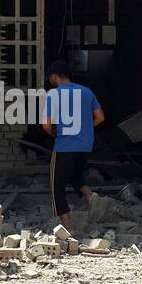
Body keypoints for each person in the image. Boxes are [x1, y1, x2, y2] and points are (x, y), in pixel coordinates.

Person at [42, 61, 104, 231]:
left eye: (50, 78)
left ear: (54, 76)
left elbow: (46, 125)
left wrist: (53, 133)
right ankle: (91, 196)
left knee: (57, 187)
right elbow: (100, 118)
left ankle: (68, 229)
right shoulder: (87, 92)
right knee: (75, 176)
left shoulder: (53, 94)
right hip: (85, 146)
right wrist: (85, 129)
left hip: (64, 147)